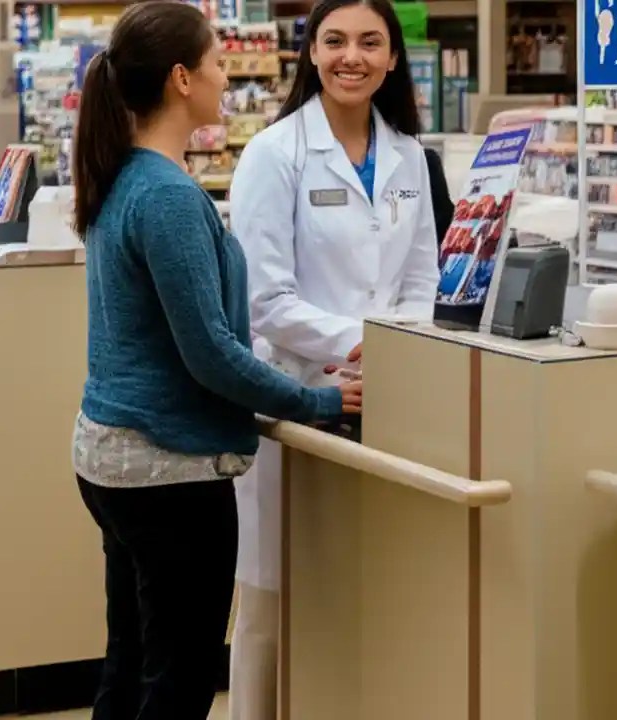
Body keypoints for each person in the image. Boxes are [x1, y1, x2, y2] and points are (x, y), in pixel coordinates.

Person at [69, 2, 363, 719]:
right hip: (169, 471)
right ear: (180, 79)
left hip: (113, 459)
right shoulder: (167, 197)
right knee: (178, 680)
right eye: (216, 64)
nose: (226, 79)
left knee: (132, 662)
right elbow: (212, 357)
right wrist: (324, 402)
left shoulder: (125, 178)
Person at [226, 0, 440, 717]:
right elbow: (264, 300)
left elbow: (422, 282)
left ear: (391, 58)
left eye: (370, 43)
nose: (353, 57)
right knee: (274, 601)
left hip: (391, 402)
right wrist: (365, 347)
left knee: (364, 592)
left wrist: (403, 358)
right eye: (337, 41)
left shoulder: (410, 154)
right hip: (297, 401)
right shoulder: (273, 152)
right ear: (311, 53)